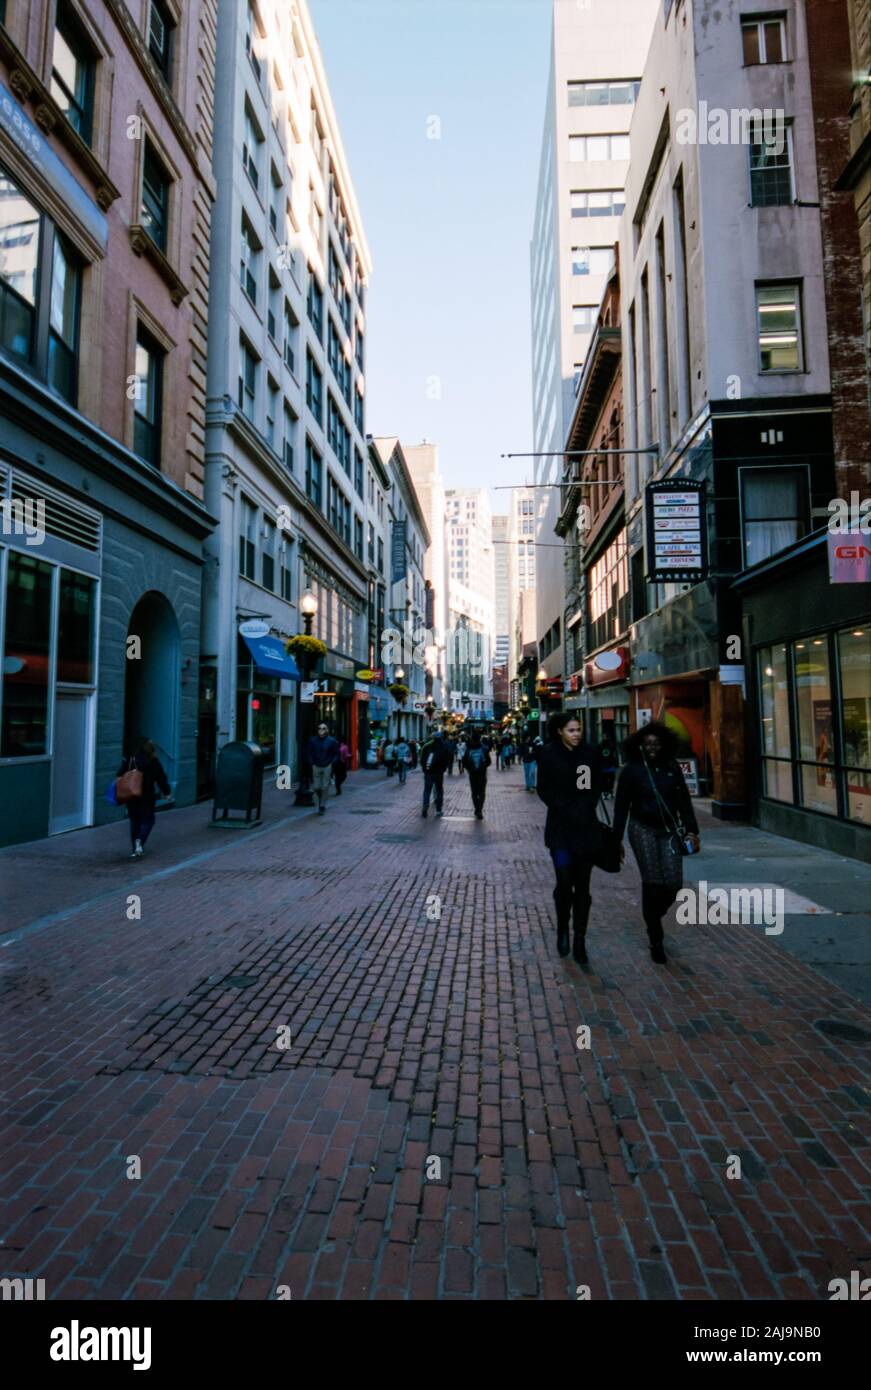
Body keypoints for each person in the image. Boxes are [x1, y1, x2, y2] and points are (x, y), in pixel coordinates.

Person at [612, 722, 700, 965]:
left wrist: (692, 831)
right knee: (652, 881)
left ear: (664, 745)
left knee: (673, 883)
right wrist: (615, 839)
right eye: (648, 744)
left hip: (670, 830)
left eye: (656, 744)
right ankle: (655, 937)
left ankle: (653, 916)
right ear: (640, 745)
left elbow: (684, 801)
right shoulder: (631, 770)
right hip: (642, 829)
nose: (652, 748)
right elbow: (621, 807)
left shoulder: (672, 767)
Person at [536, 713, 605, 964]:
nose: (577, 734)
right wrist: (564, 808)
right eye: (571, 730)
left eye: (579, 729)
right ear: (559, 731)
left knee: (583, 887)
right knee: (564, 883)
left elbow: (591, 786)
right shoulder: (547, 754)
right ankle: (563, 927)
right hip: (560, 831)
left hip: (585, 829)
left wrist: (584, 808)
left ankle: (580, 939)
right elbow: (544, 788)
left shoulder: (589, 754)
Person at [117, 738, 173, 859]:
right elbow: (161, 778)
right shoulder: (153, 761)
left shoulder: (132, 759)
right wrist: (167, 792)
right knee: (148, 820)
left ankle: (135, 849)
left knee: (134, 822)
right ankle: (140, 842)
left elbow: (120, 774)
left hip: (132, 795)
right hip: (147, 796)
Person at [308, 721, 339, 814]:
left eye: (323, 728)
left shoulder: (332, 741)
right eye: (319, 728)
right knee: (316, 787)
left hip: (327, 766)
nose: (321, 730)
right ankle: (321, 798)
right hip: (316, 766)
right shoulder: (313, 740)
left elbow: (336, 754)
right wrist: (312, 763)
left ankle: (322, 806)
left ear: (327, 730)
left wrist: (332, 763)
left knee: (325, 787)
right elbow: (309, 752)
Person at [420, 731, 450, 817]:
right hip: (439, 773)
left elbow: (422, 758)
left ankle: (425, 807)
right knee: (439, 790)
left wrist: (424, 769)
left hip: (429, 772)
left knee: (427, 790)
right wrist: (443, 769)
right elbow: (447, 760)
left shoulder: (426, 746)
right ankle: (439, 810)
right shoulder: (444, 746)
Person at [464, 731, 491, 819]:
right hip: (482, 774)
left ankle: (477, 808)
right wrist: (483, 767)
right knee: (482, 792)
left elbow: (464, 762)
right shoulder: (484, 748)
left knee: (474, 792)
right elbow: (489, 762)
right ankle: (480, 809)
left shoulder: (469, 749)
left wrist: (470, 769)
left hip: (472, 774)